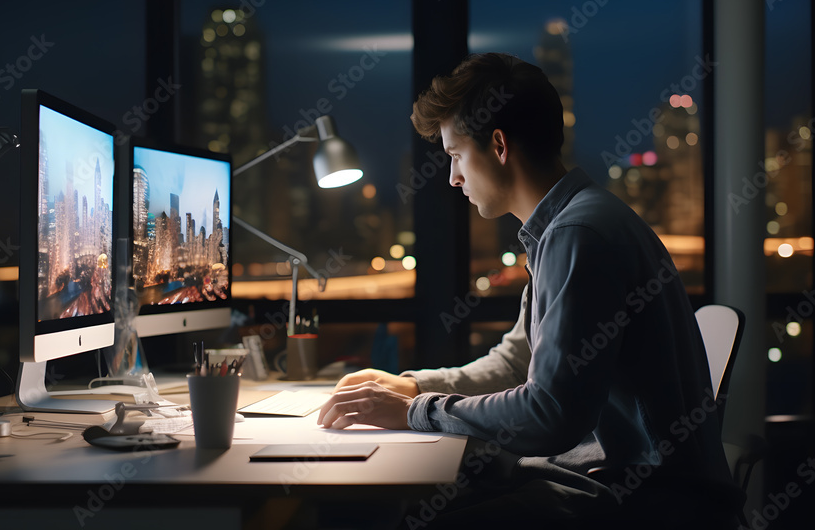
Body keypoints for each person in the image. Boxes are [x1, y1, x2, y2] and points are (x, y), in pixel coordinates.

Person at [316, 53, 742, 527]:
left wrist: (418, 411)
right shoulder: (564, 227)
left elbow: (551, 414)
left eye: (456, 155)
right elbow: (515, 363)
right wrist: (414, 386)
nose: (453, 176)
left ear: (498, 145)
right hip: (610, 479)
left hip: (640, 498)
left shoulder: (578, 234)